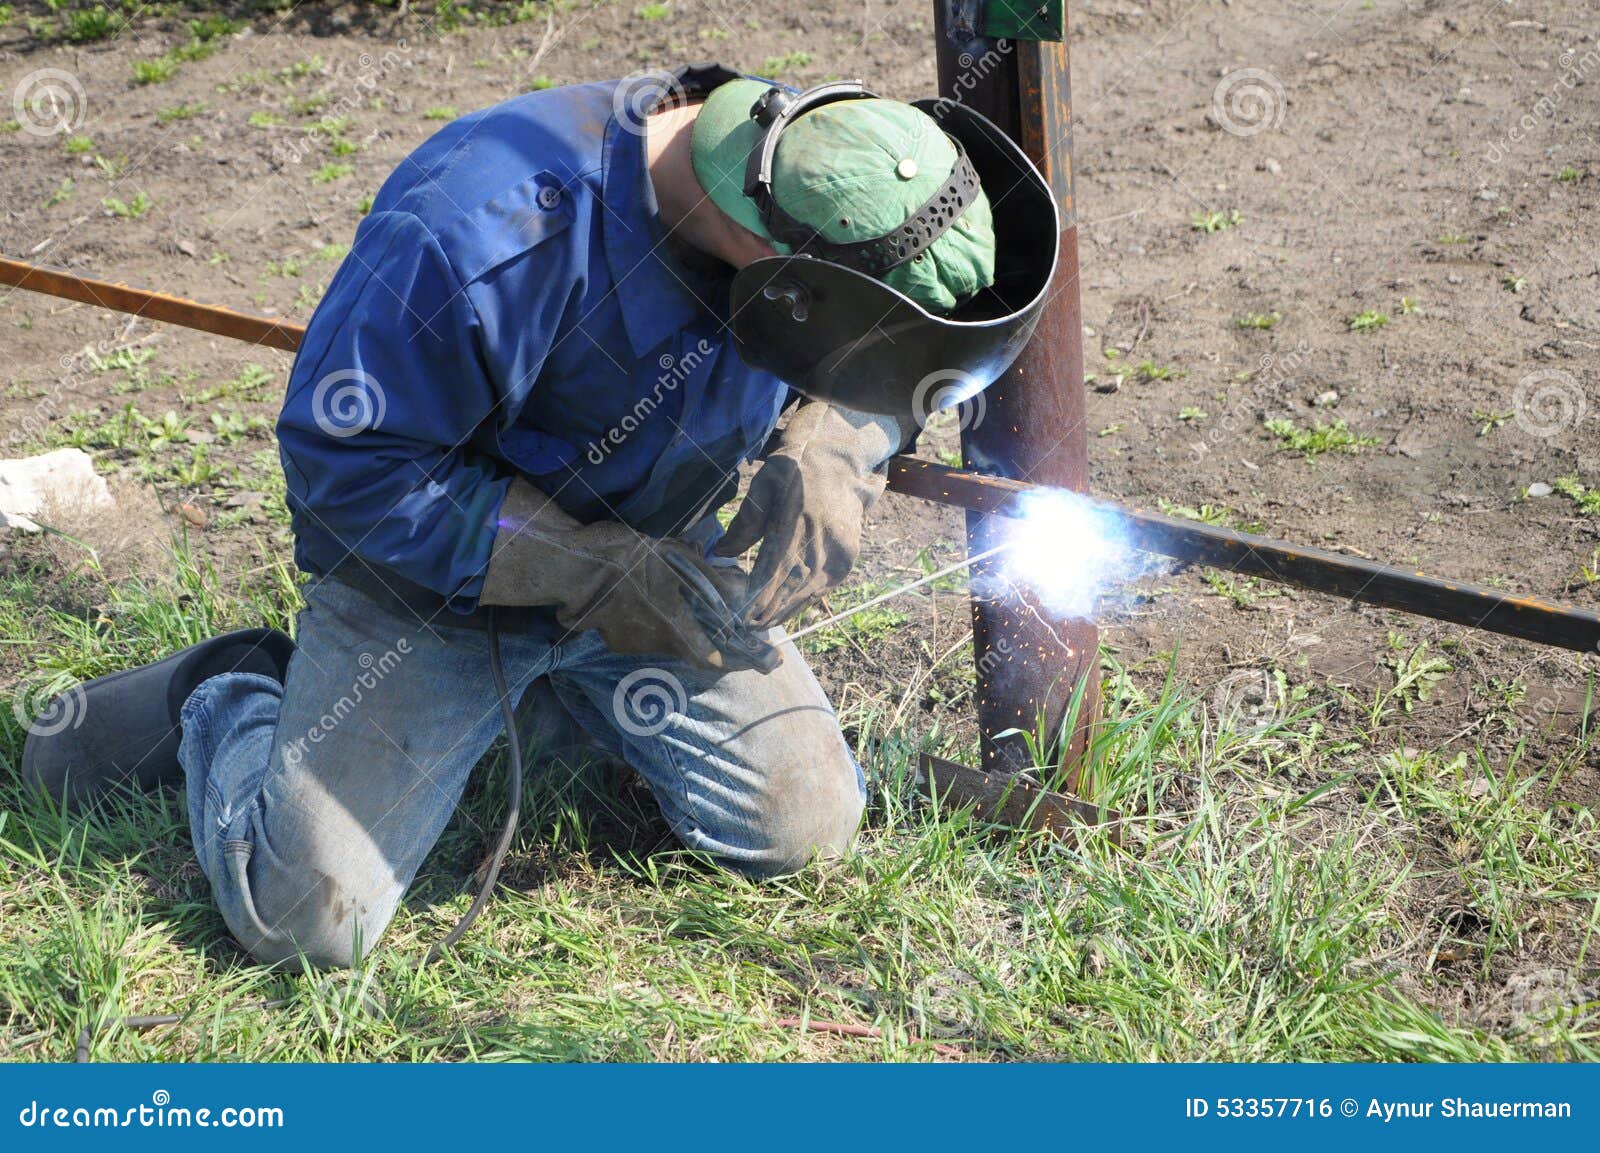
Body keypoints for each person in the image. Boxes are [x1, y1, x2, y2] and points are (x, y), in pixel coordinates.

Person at [22, 64, 1052, 969]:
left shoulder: (821, 166)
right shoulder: (475, 233)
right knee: (308, 922)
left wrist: (840, 442)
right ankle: (235, 691)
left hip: (657, 560)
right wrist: (583, 567)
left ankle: (539, 706)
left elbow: (890, 330)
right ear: (773, 261)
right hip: (435, 590)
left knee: (803, 825)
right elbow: (350, 469)